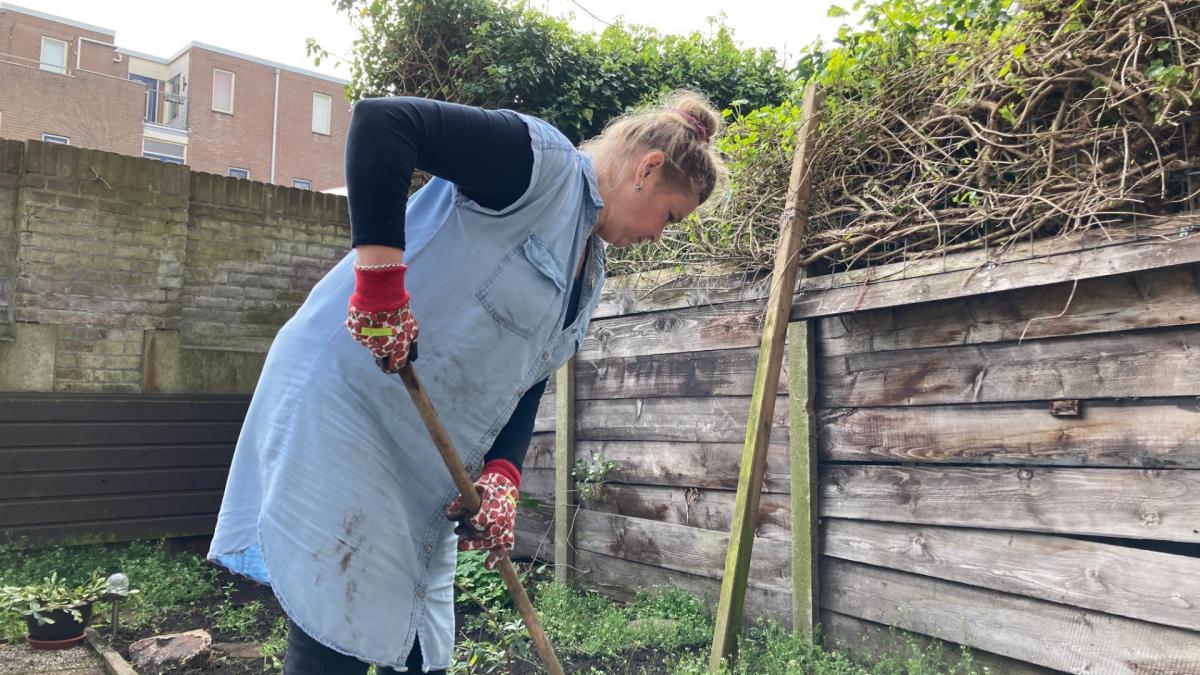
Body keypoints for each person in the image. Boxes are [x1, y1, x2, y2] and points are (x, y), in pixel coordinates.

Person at [207, 90, 726, 674]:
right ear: (647, 169)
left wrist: (504, 471)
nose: (661, 235)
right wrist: (379, 285)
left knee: (420, 640)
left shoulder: (591, 272)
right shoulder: (539, 165)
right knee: (338, 611)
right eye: (670, 216)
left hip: (420, 452)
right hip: (350, 405)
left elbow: (528, 378)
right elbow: (384, 122)